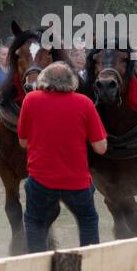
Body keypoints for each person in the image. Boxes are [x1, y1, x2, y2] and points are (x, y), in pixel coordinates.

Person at [17, 62, 107, 253]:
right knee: (88, 220)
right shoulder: (85, 103)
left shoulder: (31, 100)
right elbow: (100, 148)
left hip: (41, 180)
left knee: (35, 222)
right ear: (72, 81)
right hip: (77, 181)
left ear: (44, 80)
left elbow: (23, 142)